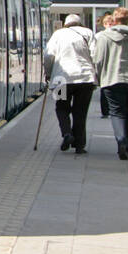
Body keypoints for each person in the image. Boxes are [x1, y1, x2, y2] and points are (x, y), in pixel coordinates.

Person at [43, 13, 97, 154]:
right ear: (79, 23)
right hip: (85, 79)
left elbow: (48, 55)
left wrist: (48, 73)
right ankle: (79, 145)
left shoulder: (58, 34)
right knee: (80, 112)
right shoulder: (88, 33)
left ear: (66, 24)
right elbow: (95, 55)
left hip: (61, 79)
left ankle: (67, 133)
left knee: (61, 107)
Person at [93, 6, 128, 160]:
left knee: (117, 112)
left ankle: (121, 141)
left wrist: (98, 77)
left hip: (111, 79)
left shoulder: (104, 37)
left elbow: (98, 60)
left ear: (113, 19)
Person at [97, 12, 115, 117]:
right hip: (107, 68)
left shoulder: (100, 36)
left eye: (111, 23)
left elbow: (97, 56)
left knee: (106, 91)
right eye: (108, 23)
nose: (110, 25)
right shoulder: (99, 36)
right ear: (104, 24)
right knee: (105, 92)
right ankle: (105, 112)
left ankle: (106, 112)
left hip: (106, 68)